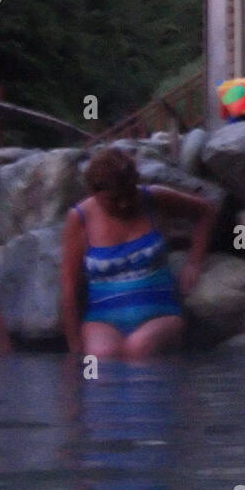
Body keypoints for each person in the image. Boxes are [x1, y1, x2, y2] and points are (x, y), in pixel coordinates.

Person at [61, 146, 215, 360]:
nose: (124, 205)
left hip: (161, 314)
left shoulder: (152, 198)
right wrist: (74, 352)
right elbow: (68, 286)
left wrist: (194, 261)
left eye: (129, 195)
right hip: (102, 318)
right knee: (100, 358)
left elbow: (205, 212)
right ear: (94, 193)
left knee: (139, 349)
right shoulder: (79, 218)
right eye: (114, 200)